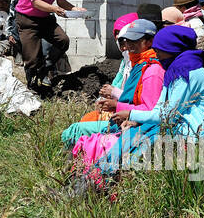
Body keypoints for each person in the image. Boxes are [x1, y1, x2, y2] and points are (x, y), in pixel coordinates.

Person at [97, 24, 204, 177]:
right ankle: (104, 173)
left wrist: (130, 115)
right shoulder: (174, 69)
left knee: (141, 137)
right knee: (137, 132)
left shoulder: (187, 71)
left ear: (172, 49)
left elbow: (166, 115)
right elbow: (159, 109)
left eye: (159, 49)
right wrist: (134, 118)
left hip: (197, 136)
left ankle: (107, 174)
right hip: (180, 128)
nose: (156, 52)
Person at [67, 18, 165, 176]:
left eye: (135, 40)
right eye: (127, 40)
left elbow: (149, 109)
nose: (129, 45)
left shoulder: (152, 70)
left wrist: (117, 105)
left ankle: (82, 175)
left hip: (136, 125)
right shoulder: (138, 64)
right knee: (82, 125)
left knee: (78, 132)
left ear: (149, 41)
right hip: (123, 119)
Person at [16, 0, 85, 85]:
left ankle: (45, 66)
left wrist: (74, 8)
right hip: (27, 19)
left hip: (45, 18)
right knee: (32, 59)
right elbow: (35, 2)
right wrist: (54, 9)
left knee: (63, 40)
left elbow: (61, 1)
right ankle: (33, 85)